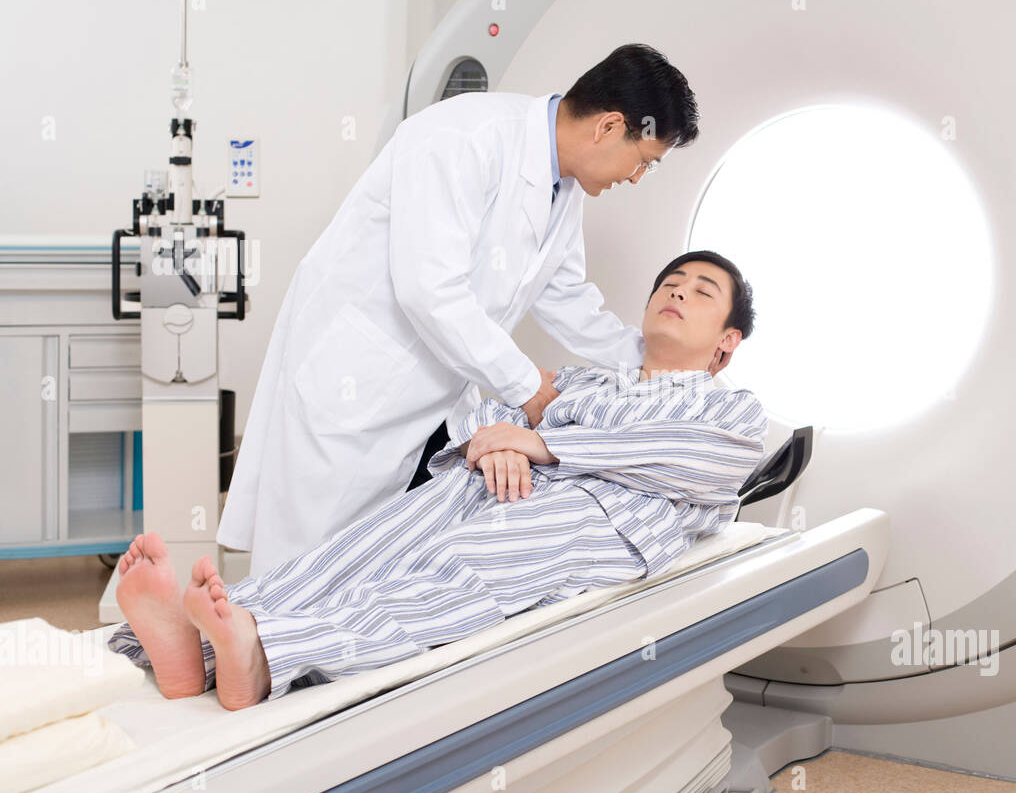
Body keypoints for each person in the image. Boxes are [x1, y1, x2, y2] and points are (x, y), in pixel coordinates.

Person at [109, 251, 761, 711]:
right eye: (671, 282)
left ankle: (267, 654)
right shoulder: (588, 378)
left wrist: (541, 443)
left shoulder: (726, 405)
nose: (677, 291)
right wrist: (495, 440)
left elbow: (702, 460)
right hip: (502, 483)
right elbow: (500, 406)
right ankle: (196, 644)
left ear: (726, 341)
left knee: (463, 561)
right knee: (374, 541)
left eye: (702, 291)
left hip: (607, 513)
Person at [217, 45, 702, 576]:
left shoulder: (564, 185)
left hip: (435, 393)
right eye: (645, 162)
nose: (636, 178)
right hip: (355, 385)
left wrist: (652, 359)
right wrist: (527, 385)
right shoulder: (462, 139)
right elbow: (429, 290)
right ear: (609, 127)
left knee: (374, 569)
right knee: (304, 568)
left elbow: (565, 298)